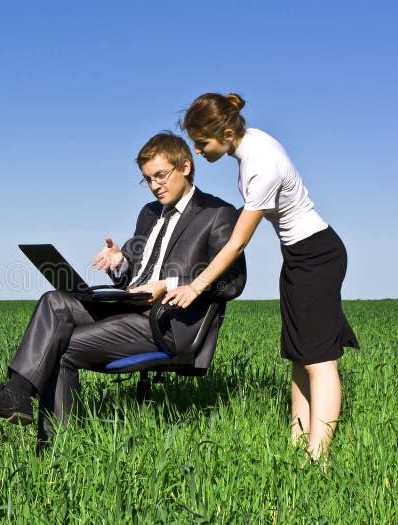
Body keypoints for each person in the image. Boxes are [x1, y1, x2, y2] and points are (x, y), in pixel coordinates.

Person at [0, 132, 246, 449]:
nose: (154, 186)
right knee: (55, 301)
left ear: (186, 167)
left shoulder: (217, 214)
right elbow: (133, 276)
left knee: (60, 347)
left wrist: (173, 284)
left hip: (167, 323)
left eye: (161, 176)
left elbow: (233, 280)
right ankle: (16, 394)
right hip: (129, 309)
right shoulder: (149, 213)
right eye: (147, 180)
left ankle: (53, 450)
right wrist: (120, 263)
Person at [162, 93, 359, 462]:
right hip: (300, 255)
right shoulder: (251, 146)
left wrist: (197, 285)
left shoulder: (260, 163)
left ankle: (318, 461)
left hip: (317, 255)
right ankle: (297, 447)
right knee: (301, 355)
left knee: (320, 360)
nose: (198, 151)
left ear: (226, 131)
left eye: (202, 143)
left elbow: (237, 243)